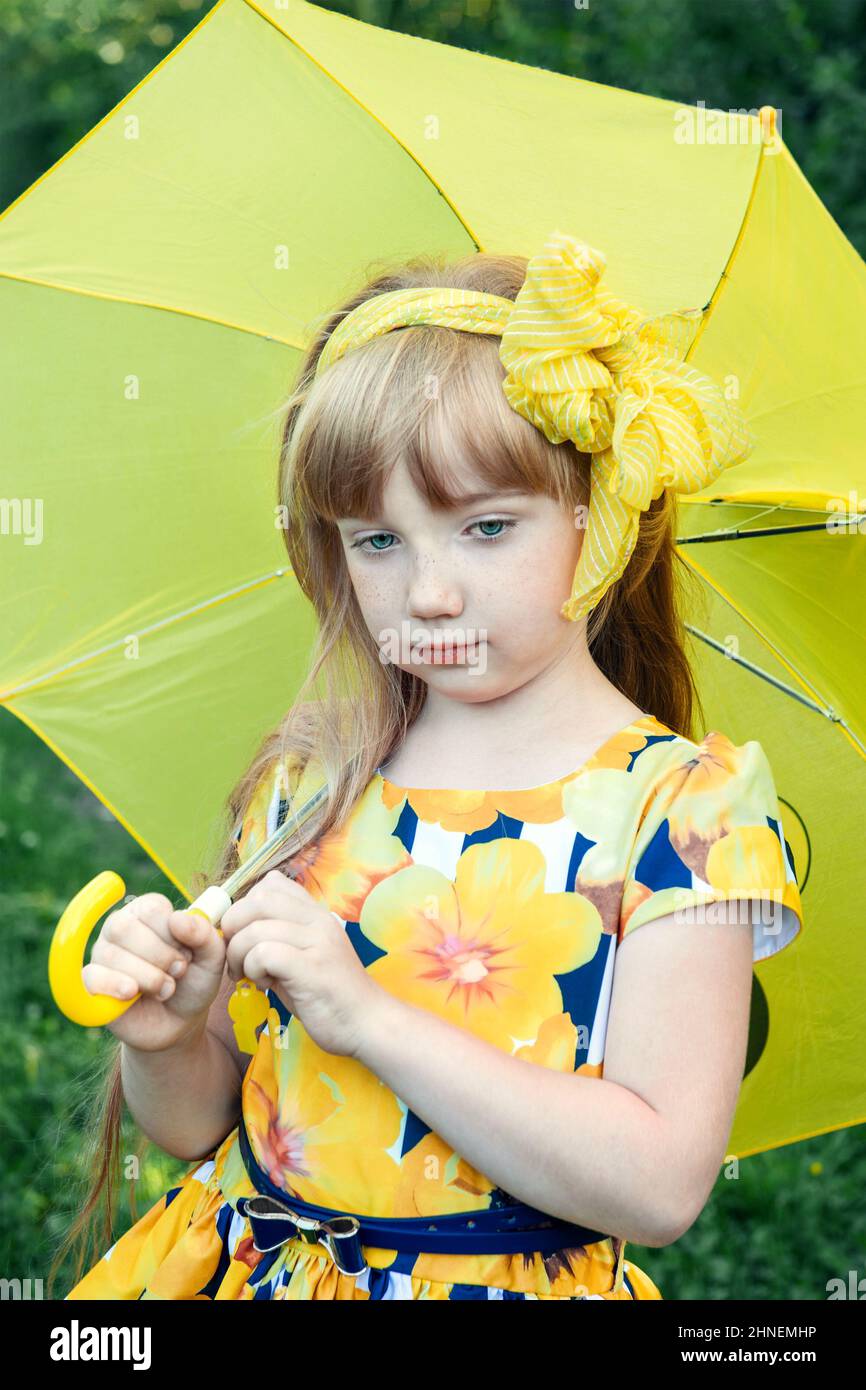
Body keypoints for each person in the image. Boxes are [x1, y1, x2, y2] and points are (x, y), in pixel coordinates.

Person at [55, 231, 804, 1301]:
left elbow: (656, 1185)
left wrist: (366, 1014)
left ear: (600, 520)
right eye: (376, 541)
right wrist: (169, 1040)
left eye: (485, 527)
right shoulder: (315, 781)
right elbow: (201, 1126)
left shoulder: (681, 815)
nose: (428, 593)